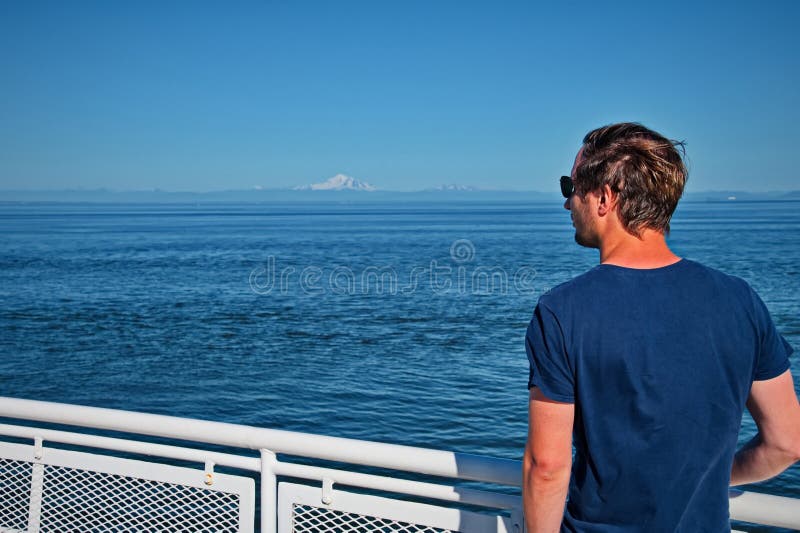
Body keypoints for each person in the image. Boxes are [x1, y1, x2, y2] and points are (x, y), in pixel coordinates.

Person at [523, 122, 800, 532]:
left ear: (604, 197)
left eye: (571, 186)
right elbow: (786, 442)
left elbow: (547, 467)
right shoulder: (740, 301)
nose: (567, 204)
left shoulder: (563, 310)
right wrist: (708, 478)